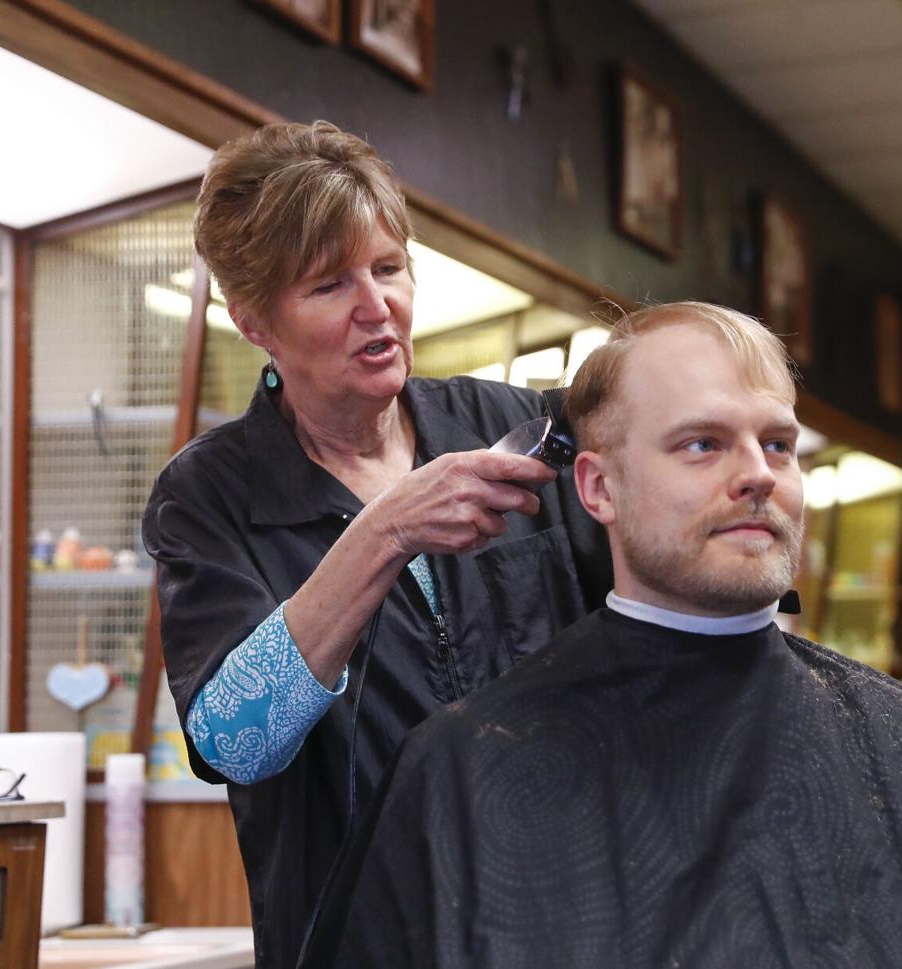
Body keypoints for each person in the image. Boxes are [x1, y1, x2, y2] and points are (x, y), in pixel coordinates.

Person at [298, 302, 902, 968]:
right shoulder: (466, 766)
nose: (756, 475)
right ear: (597, 487)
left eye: (777, 444)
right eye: (702, 444)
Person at [141, 121, 610, 969]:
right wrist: (386, 528)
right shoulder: (209, 496)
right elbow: (236, 742)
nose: (376, 306)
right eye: (328, 285)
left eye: (388, 267)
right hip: (363, 938)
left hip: (562, 924)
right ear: (253, 321)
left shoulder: (521, 426)